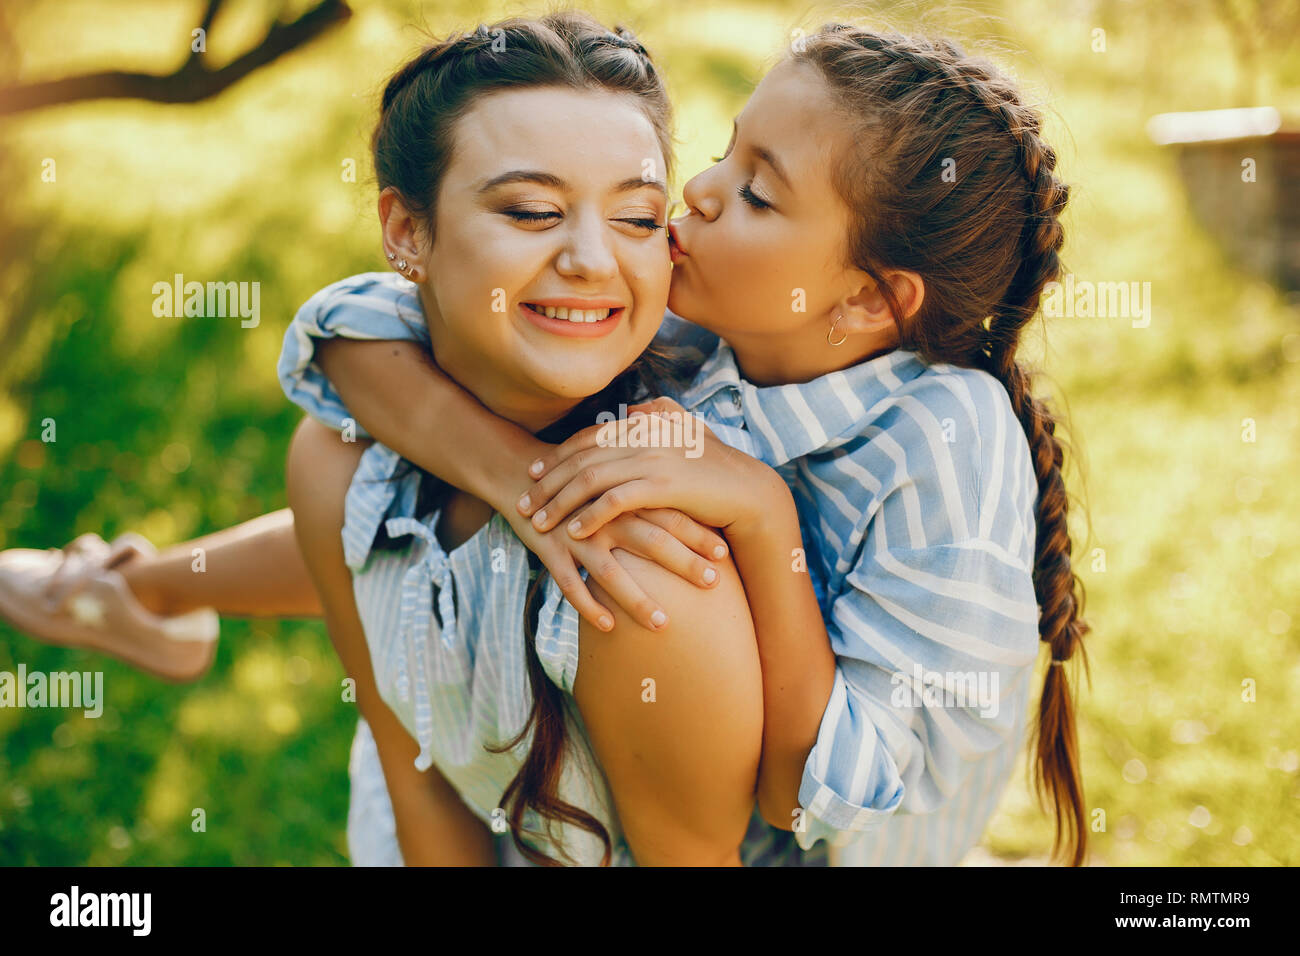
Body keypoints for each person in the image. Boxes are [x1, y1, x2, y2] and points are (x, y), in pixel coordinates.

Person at [1, 15, 1091, 866]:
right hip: (596, 760)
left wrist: (758, 513)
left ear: (864, 302)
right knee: (380, 474)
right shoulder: (715, 328)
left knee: (615, 545)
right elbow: (349, 333)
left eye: (755, 192)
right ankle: (149, 588)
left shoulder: (943, 446)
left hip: (810, 834)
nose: (695, 198)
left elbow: (821, 782)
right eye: (719, 155)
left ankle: (147, 590)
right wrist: (524, 480)